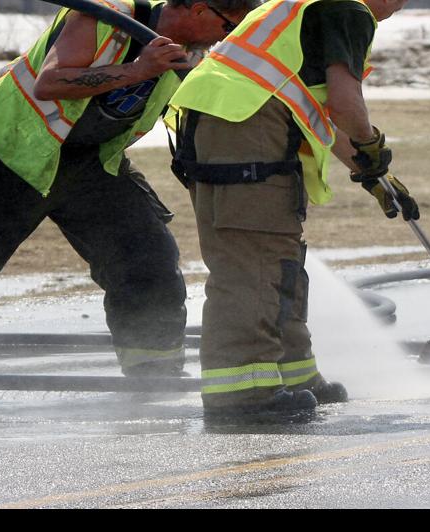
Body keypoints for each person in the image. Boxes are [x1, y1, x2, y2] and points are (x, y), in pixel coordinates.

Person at [0, 0, 256, 378]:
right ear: (200, 8)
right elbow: (49, 82)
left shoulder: (190, 55)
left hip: (89, 162)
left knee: (145, 257)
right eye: (228, 25)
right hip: (13, 152)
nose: (228, 36)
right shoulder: (107, 17)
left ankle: (153, 373)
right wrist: (139, 70)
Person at [168, 0, 415, 421]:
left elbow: (320, 115)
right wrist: (372, 146)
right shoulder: (347, 10)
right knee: (254, 258)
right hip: (244, 122)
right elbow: (344, 101)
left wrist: (370, 173)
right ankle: (242, 395)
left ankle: (294, 373)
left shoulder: (310, 10)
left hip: (231, 119)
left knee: (277, 256)